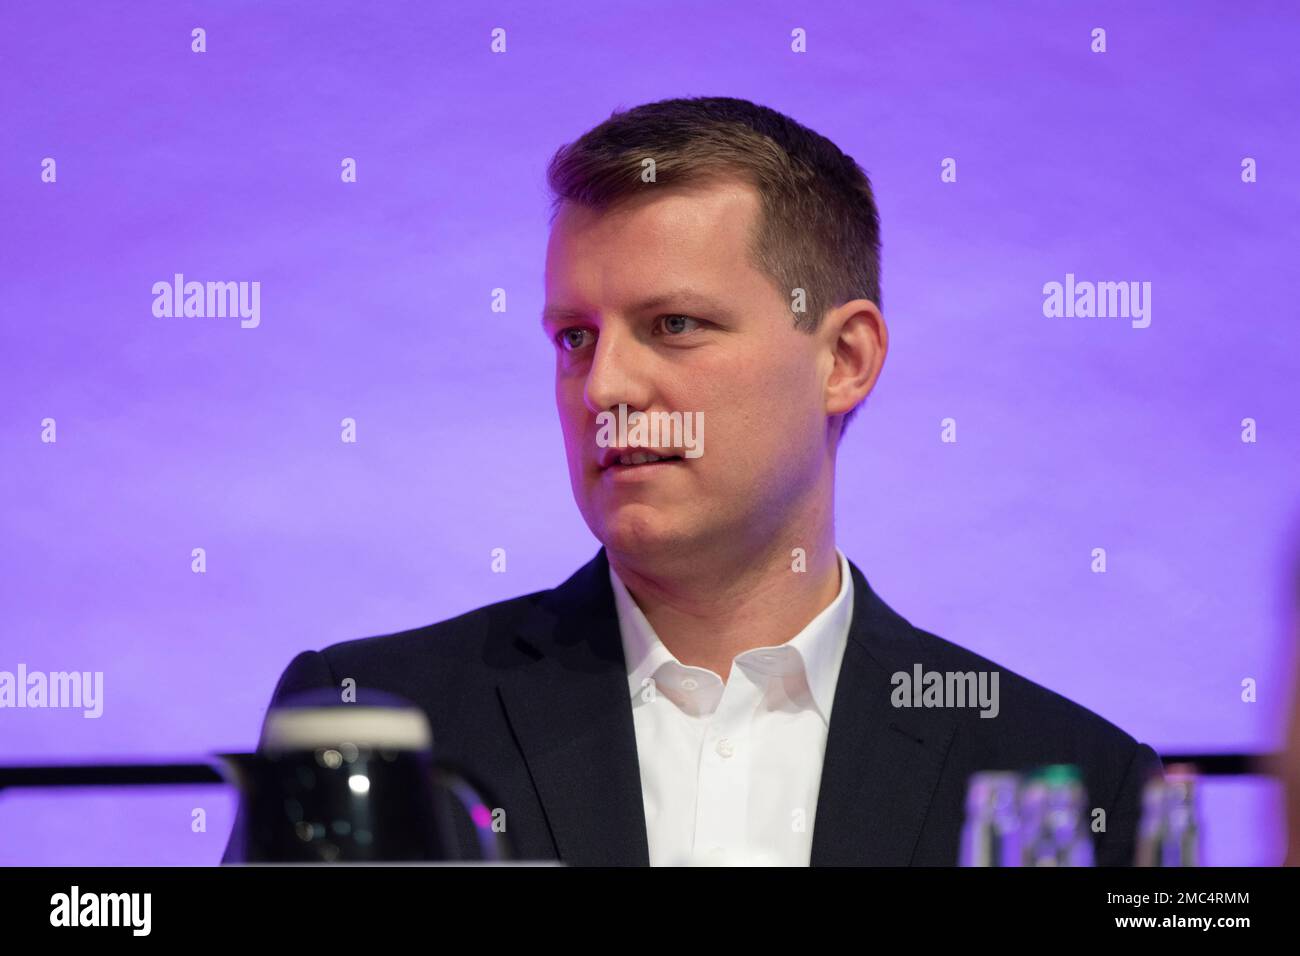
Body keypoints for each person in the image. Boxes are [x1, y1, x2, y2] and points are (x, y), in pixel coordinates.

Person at [224, 96, 1161, 866]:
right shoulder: (372, 722)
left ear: (845, 357)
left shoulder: (1072, 779)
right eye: (575, 337)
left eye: (674, 325)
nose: (606, 388)